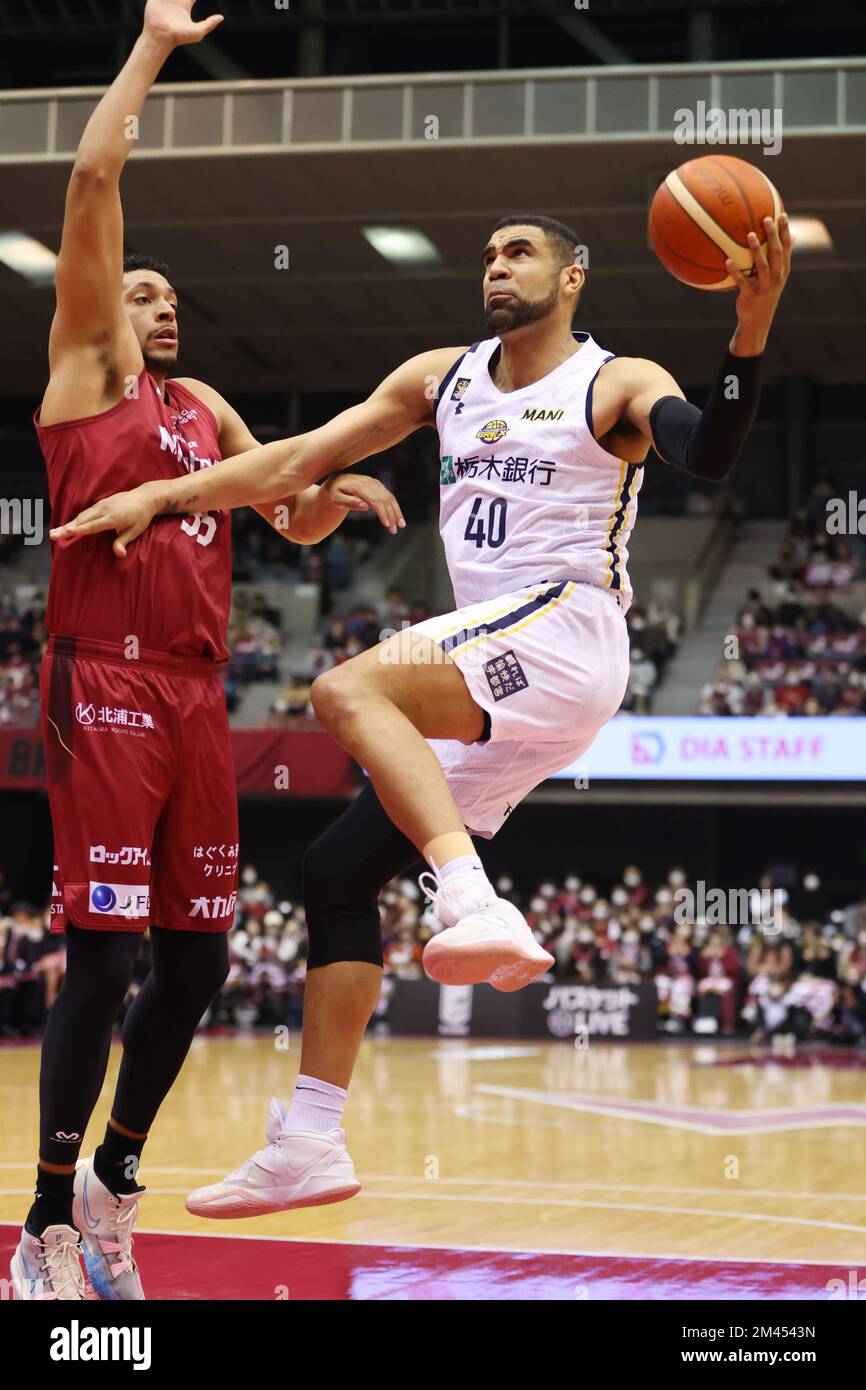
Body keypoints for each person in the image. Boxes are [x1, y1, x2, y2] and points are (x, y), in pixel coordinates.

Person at [52, 193, 793, 1219]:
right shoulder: (437, 378)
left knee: (346, 686)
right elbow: (294, 461)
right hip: (503, 666)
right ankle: (310, 1137)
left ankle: (469, 896)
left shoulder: (614, 380)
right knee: (334, 870)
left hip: (568, 630)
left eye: (520, 251)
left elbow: (706, 449)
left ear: (570, 277)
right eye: (488, 252)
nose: (495, 265)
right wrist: (161, 496)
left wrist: (746, 334)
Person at [11, 0, 401, 1303]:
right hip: (103, 678)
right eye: (138, 285)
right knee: (109, 950)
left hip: (192, 693)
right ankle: (39, 1226)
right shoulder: (86, 371)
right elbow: (91, 177)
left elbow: (282, 507)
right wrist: (157, 46)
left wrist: (330, 494)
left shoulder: (205, 412)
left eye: (169, 292)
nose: (157, 299)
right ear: (96, 305)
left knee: (198, 959)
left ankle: (112, 1186)